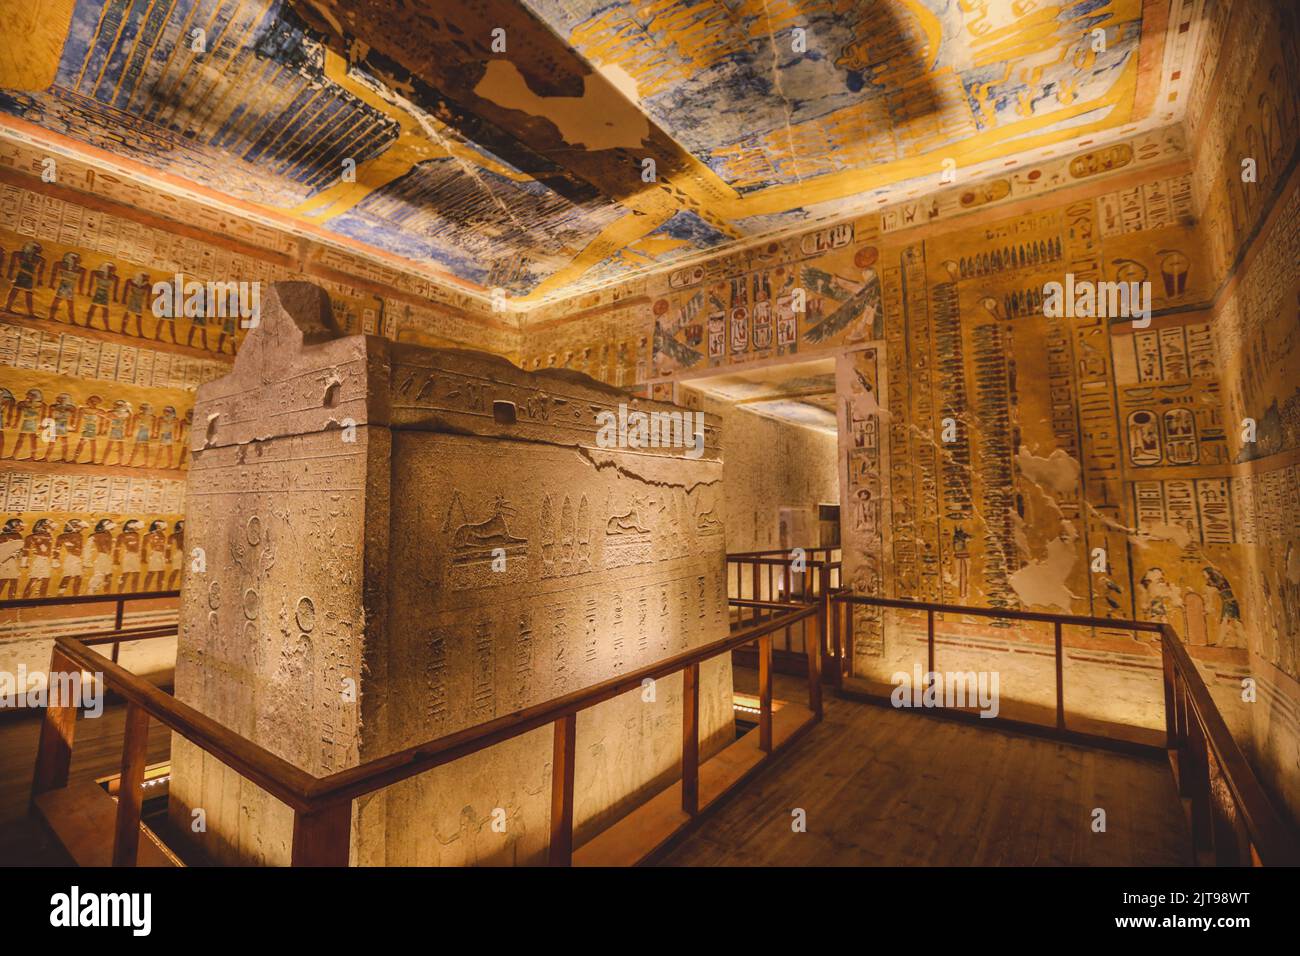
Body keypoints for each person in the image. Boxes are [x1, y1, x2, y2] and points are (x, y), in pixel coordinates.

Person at [4, 242, 45, 316]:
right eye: (36, 250)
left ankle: (30, 312)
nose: (38, 252)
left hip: (29, 278)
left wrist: (40, 280)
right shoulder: (19, 254)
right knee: (15, 291)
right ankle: (7, 308)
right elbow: (11, 265)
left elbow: (40, 271)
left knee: (28, 295)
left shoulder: (38, 259)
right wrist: (9, 274)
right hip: (21, 276)